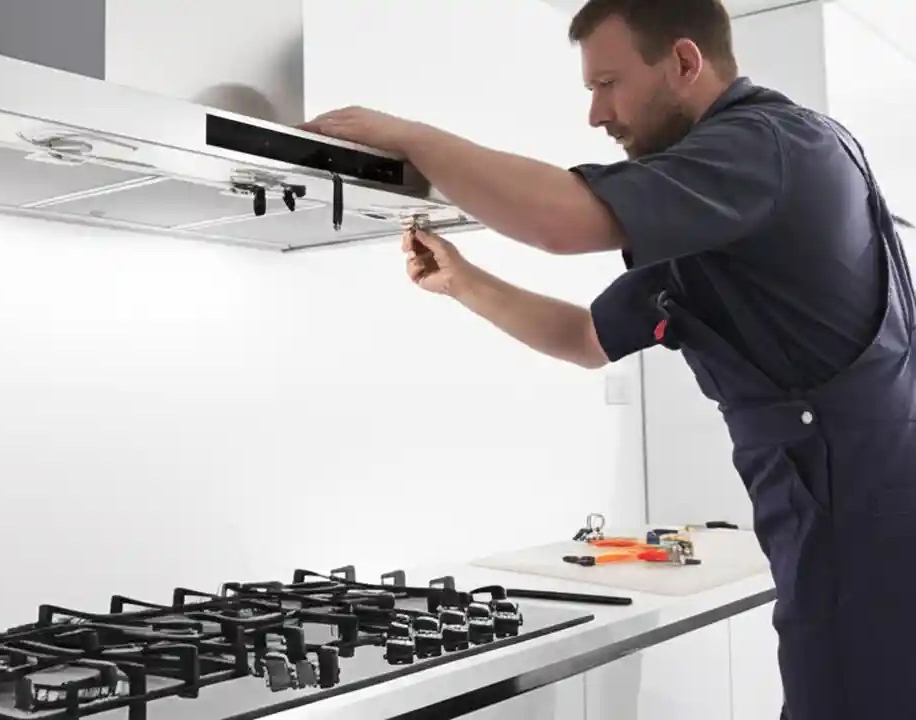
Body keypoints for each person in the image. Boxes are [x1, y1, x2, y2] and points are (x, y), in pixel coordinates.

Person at [300, 0, 915, 718]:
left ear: (685, 62)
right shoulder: (715, 221)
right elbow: (586, 341)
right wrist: (462, 281)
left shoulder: (765, 148)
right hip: (835, 517)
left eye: (608, 83)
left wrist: (406, 136)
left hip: (865, 529)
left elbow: (563, 219)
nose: (596, 114)